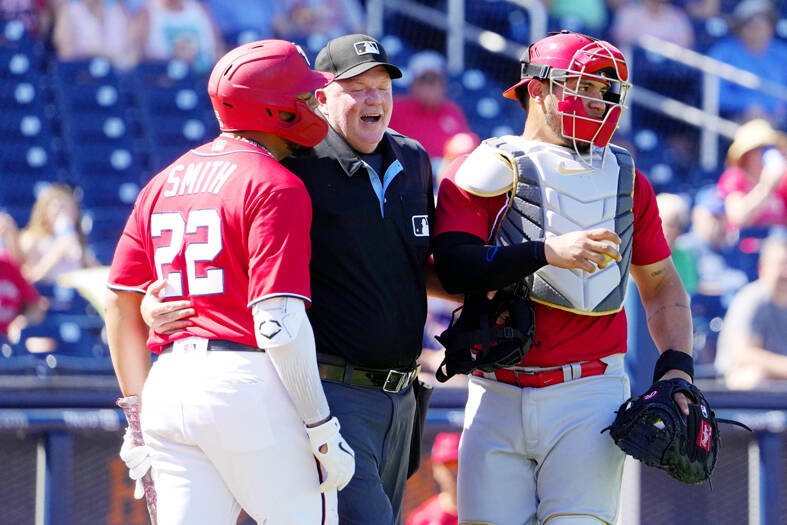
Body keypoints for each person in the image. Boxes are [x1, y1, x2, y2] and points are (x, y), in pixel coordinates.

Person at [143, 33, 438, 525]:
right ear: (320, 95)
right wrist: (159, 302)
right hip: (324, 386)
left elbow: (423, 266)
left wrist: (521, 269)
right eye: (358, 86)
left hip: (401, 394)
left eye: (383, 85)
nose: (374, 98)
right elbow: (224, 240)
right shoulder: (291, 159)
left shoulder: (413, 158)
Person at [432, 31, 694, 524]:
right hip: (496, 390)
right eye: (583, 87)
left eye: (604, 91)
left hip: (589, 393)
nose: (596, 103)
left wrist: (677, 366)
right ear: (536, 88)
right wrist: (545, 253)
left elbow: (660, 283)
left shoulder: (627, 179)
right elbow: (451, 267)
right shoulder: (486, 169)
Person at [104, 40, 354, 524]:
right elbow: (277, 323)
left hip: (167, 385)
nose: (312, 103)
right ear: (274, 111)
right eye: (303, 96)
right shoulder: (273, 183)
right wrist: (321, 425)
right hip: (245, 381)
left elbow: (120, 307)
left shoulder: (164, 179)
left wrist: (136, 415)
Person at [715, 230, 787, 389]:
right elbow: (742, 354)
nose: (785, 273)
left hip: (779, 383)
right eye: (781, 264)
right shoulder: (752, 298)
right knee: (753, 376)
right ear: (763, 267)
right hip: (735, 386)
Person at [707, 0, 787, 125]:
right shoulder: (724, 52)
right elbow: (714, 92)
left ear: (771, 28)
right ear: (741, 27)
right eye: (751, 26)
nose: (756, 32)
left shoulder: (782, 53)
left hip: (780, 121)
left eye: (761, 26)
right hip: (737, 120)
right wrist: (747, 105)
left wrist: (780, 110)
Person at [388, 50, 470, 161]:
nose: (431, 87)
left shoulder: (452, 110)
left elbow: (464, 147)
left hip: (443, 172)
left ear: (444, 84)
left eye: (435, 80)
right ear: (413, 84)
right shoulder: (395, 108)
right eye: (425, 80)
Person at [19, 183, 98, 285]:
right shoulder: (30, 239)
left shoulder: (76, 240)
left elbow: (96, 273)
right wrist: (59, 249)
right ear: (45, 210)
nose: (64, 213)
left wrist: (82, 252)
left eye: (69, 208)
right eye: (60, 208)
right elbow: (31, 280)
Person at [717, 118, 787, 230]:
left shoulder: (782, 180)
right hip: (745, 245)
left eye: (772, 148)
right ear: (748, 154)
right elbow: (738, 217)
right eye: (763, 149)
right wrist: (766, 187)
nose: (770, 153)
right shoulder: (735, 177)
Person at [130, 0, 225, 72]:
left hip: (205, 80)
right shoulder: (145, 15)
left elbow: (218, 50)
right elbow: (137, 61)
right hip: (166, 85)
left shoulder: (200, 8)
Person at [52, 0, 134, 69]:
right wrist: (98, 53)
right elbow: (67, 57)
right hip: (83, 80)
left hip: (117, 80)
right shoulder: (69, 13)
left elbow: (131, 56)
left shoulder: (117, 13)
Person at [406, 432, 460, 525]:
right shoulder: (423, 519)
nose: (454, 471)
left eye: (458, 464)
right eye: (448, 464)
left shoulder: (484, 515)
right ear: (435, 468)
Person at [656, 192, 698, 295]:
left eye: (678, 226)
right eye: (669, 224)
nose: (674, 231)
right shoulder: (637, 255)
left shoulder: (684, 255)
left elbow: (689, 292)